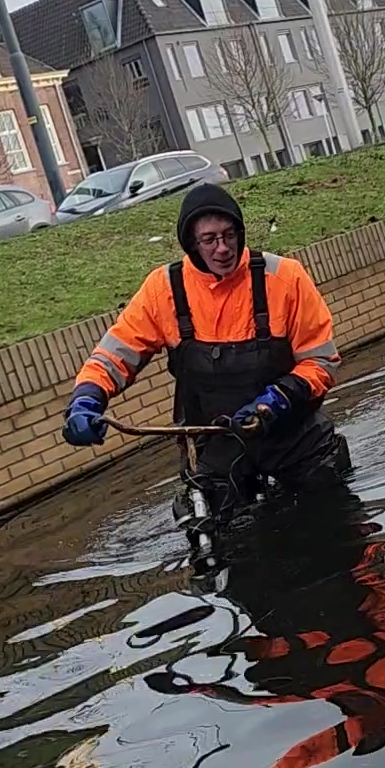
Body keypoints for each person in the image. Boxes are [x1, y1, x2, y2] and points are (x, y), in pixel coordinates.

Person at [62, 184, 351, 528]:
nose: (223, 248)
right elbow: (114, 355)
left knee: (335, 518)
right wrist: (87, 399)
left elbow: (321, 362)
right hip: (216, 443)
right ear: (191, 244)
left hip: (292, 436)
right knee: (215, 533)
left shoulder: (285, 278)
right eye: (210, 239)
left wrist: (279, 398)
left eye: (229, 235)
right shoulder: (164, 290)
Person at [145, 490, 385, 768]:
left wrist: (199, 686)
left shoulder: (375, 686)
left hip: (311, 598)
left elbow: (296, 730)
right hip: (327, 591)